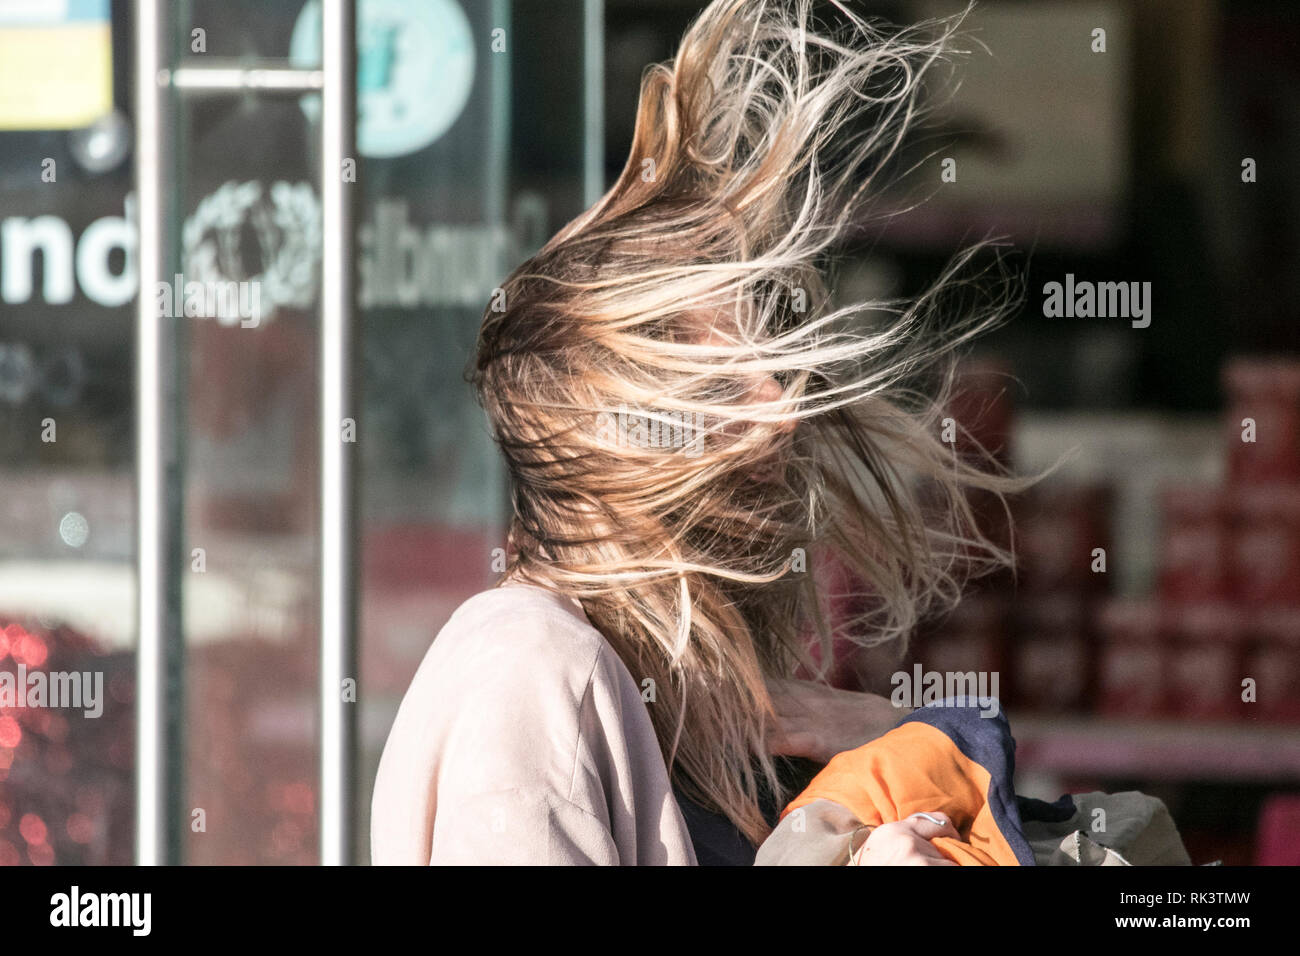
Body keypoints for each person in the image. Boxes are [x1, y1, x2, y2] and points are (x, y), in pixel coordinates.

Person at [371, 0, 1027, 865]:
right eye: (717, 388)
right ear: (617, 443)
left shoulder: (680, 692)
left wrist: (892, 734)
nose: (782, 411)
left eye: (774, 368)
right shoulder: (533, 672)